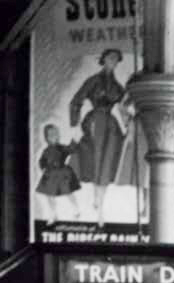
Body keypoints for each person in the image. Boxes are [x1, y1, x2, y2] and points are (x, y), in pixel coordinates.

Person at [70, 48, 128, 220]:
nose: (114, 62)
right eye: (111, 58)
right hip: (95, 123)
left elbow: (123, 106)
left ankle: (100, 203)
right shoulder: (93, 81)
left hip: (111, 126)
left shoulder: (117, 86)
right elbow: (76, 101)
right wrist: (74, 125)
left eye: (117, 59)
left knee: (108, 161)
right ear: (103, 59)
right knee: (95, 159)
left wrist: (126, 121)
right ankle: (96, 200)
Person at [35, 123, 81, 222]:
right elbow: (42, 160)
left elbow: (70, 149)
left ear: (58, 135)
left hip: (62, 174)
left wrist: (75, 140)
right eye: (51, 135)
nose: (54, 137)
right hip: (50, 175)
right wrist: (42, 166)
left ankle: (76, 209)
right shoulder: (46, 150)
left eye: (56, 134)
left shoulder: (61, 148)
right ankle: (53, 213)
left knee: (68, 192)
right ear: (46, 138)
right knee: (49, 195)